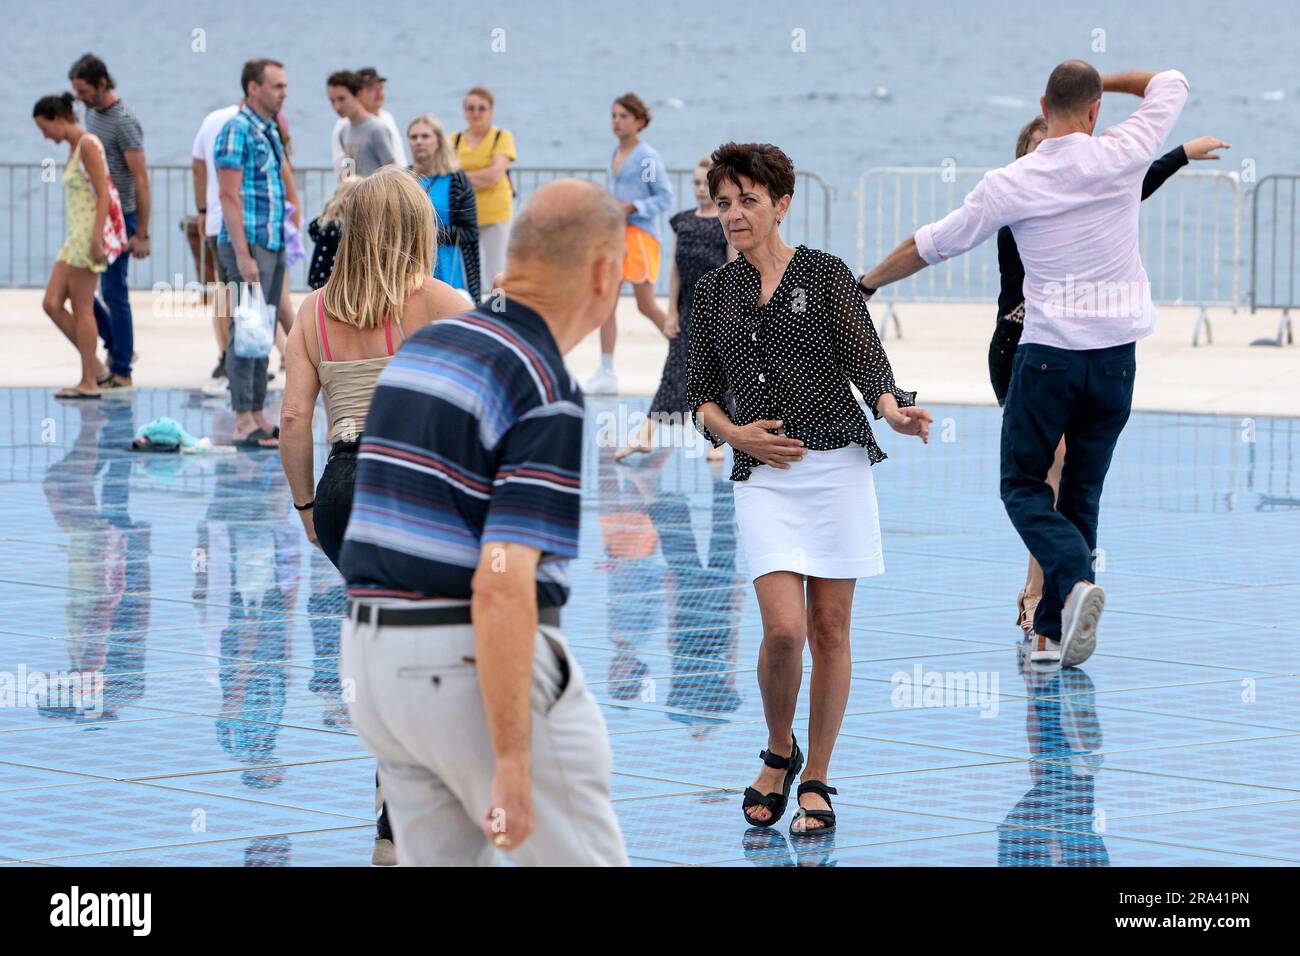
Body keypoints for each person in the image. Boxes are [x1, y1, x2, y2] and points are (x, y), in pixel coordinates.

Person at [859, 62, 1191, 668]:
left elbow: (930, 245)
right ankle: (1056, 628)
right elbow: (1170, 81)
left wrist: (866, 283)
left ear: (1043, 102)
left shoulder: (1011, 181)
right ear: (1094, 112)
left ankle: (1070, 578)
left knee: (1021, 485)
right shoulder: (1125, 147)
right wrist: (1106, 82)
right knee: (1082, 488)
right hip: (1117, 361)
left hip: (1048, 360)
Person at [338, 179, 630, 866]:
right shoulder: (542, 384)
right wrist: (512, 763)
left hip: (374, 667)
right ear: (603, 271)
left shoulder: (427, 349)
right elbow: (501, 582)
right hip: (462, 664)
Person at [686, 143, 931, 835]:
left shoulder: (823, 275)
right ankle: (778, 747)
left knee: (829, 630)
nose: (734, 215)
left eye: (748, 202)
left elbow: (868, 362)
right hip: (764, 475)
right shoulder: (711, 293)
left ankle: (816, 774)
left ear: (781, 203)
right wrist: (735, 435)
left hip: (836, 471)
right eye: (725, 203)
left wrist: (893, 410)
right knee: (783, 632)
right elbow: (699, 394)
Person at [993, 117, 1230, 646]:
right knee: (1046, 472)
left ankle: (1051, 600)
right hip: (1022, 350)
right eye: (1042, 151)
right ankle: (1050, 591)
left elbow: (1135, 184)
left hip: (1071, 354)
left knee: (1064, 479)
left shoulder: (1088, 202)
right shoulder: (1014, 197)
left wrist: (1181, 154)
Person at [280, 166, 469, 566]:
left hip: (340, 492)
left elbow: (294, 418)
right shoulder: (440, 300)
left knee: (370, 618)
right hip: (410, 482)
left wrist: (307, 509)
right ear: (417, 225)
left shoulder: (313, 310)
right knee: (426, 621)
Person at [617, 155, 733, 462]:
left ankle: (717, 440)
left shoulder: (726, 221)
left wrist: (733, 310)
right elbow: (676, 268)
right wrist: (670, 310)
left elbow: (734, 265)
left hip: (716, 310)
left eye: (704, 182)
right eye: (695, 182)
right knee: (674, 371)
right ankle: (646, 434)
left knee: (718, 374)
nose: (698, 188)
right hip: (686, 308)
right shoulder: (682, 221)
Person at [215, 58, 290, 450]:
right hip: (248, 242)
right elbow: (229, 195)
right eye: (276, 86)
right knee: (245, 329)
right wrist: (243, 255)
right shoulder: (236, 130)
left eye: (284, 86)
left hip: (272, 240)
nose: (283, 92)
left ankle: (258, 411)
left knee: (263, 328)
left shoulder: (269, 131)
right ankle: (242, 418)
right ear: (253, 88)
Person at [584, 92, 675, 396]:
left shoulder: (647, 156)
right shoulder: (615, 153)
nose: (617, 122)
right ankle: (606, 370)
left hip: (640, 237)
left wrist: (633, 207)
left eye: (623, 116)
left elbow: (664, 196)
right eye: (614, 115)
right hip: (617, 236)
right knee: (606, 301)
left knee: (646, 304)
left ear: (639, 121)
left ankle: (690, 353)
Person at [69, 53, 149, 391]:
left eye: (84, 90)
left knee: (115, 292)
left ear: (102, 83)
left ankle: (122, 369)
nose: (80, 99)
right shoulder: (91, 113)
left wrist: (142, 233)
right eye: (76, 92)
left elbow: (141, 178)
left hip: (124, 217)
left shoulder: (124, 121)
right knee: (91, 291)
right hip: (101, 216)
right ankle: (121, 348)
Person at [33, 93, 119, 399]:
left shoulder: (87, 144)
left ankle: (89, 381)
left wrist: (97, 240)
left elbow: (103, 195)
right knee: (52, 303)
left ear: (59, 119)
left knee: (83, 308)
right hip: (75, 239)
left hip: (86, 239)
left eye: (45, 128)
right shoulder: (74, 147)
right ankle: (95, 369)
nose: (45, 136)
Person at [193, 100, 242, 389]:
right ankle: (238, 358)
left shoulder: (212, 119)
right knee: (243, 293)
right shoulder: (251, 124)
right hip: (242, 222)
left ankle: (225, 355)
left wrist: (201, 209)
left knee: (225, 290)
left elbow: (198, 167)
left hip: (214, 218)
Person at [408, 113, 480, 297]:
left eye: (425, 136)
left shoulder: (457, 179)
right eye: (413, 137)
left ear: (438, 141)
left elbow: (470, 231)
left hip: (451, 265)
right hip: (412, 264)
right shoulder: (404, 179)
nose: (418, 141)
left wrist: (430, 234)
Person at [454, 86, 516, 298]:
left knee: (496, 272)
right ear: (464, 111)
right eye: (470, 108)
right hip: (464, 216)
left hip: (495, 214)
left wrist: (462, 178)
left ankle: (500, 315)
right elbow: (446, 174)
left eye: (482, 108)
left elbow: (494, 175)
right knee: (463, 271)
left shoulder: (501, 137)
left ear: (491, 111)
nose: (476, 113)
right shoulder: (453, 140)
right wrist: (478, 177)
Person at [331, 67, 407, 170]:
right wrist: (349, 183)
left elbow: (397, 157)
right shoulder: (345, 125)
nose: (379, 93)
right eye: (371, 89)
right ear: (358, 93)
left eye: (380, 88)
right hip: (365, 184)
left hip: (395, 181)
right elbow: (343, 165)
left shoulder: (387, 118)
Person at [306, 176, 361, 290]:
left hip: (322, 280)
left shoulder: (327, 224)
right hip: (328, 281)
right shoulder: (336, 228)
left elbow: (313, 229)